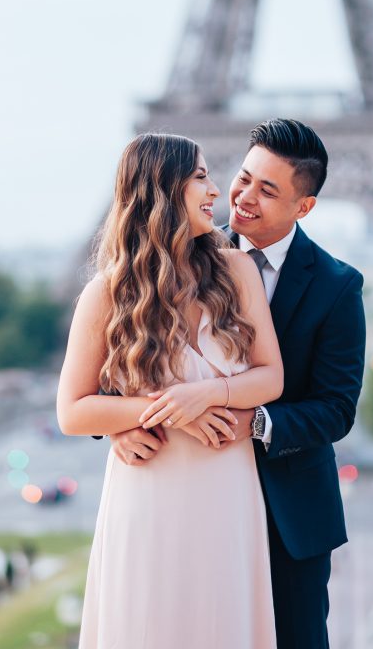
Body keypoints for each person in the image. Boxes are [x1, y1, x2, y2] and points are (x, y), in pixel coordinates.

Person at [109, 119, 366, 649]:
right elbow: (123, 370)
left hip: (287, 518)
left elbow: (337, 409)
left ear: (304, 207)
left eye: (268, 190)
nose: (244, 197)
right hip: (198, 503)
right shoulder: (182, 261)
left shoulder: (339, 287)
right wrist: (122, 425)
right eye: (244, 178)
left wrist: (254, 422)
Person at [56, 132, 284, 649]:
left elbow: (271, 377)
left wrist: (205, 396)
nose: (216, 190)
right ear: (161, 188)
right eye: (201, 176)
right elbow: (72, 412)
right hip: (149, 495)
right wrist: (169, 412)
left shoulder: (237, 271)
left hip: (226, 491)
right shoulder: (106, 293)